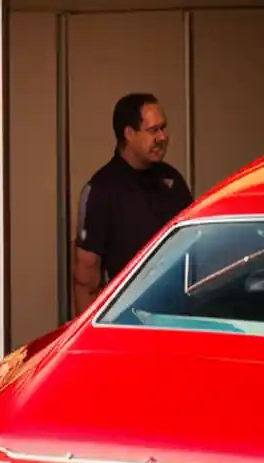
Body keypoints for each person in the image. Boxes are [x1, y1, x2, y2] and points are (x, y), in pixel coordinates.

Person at [71, 92, 193, 315]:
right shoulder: (101, 190)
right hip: (126, 319)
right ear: (129, 134)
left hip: (178, 313)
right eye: (153, 130)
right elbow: (85, 278)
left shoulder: (172, 180)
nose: (163, 137)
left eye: (163, 128)